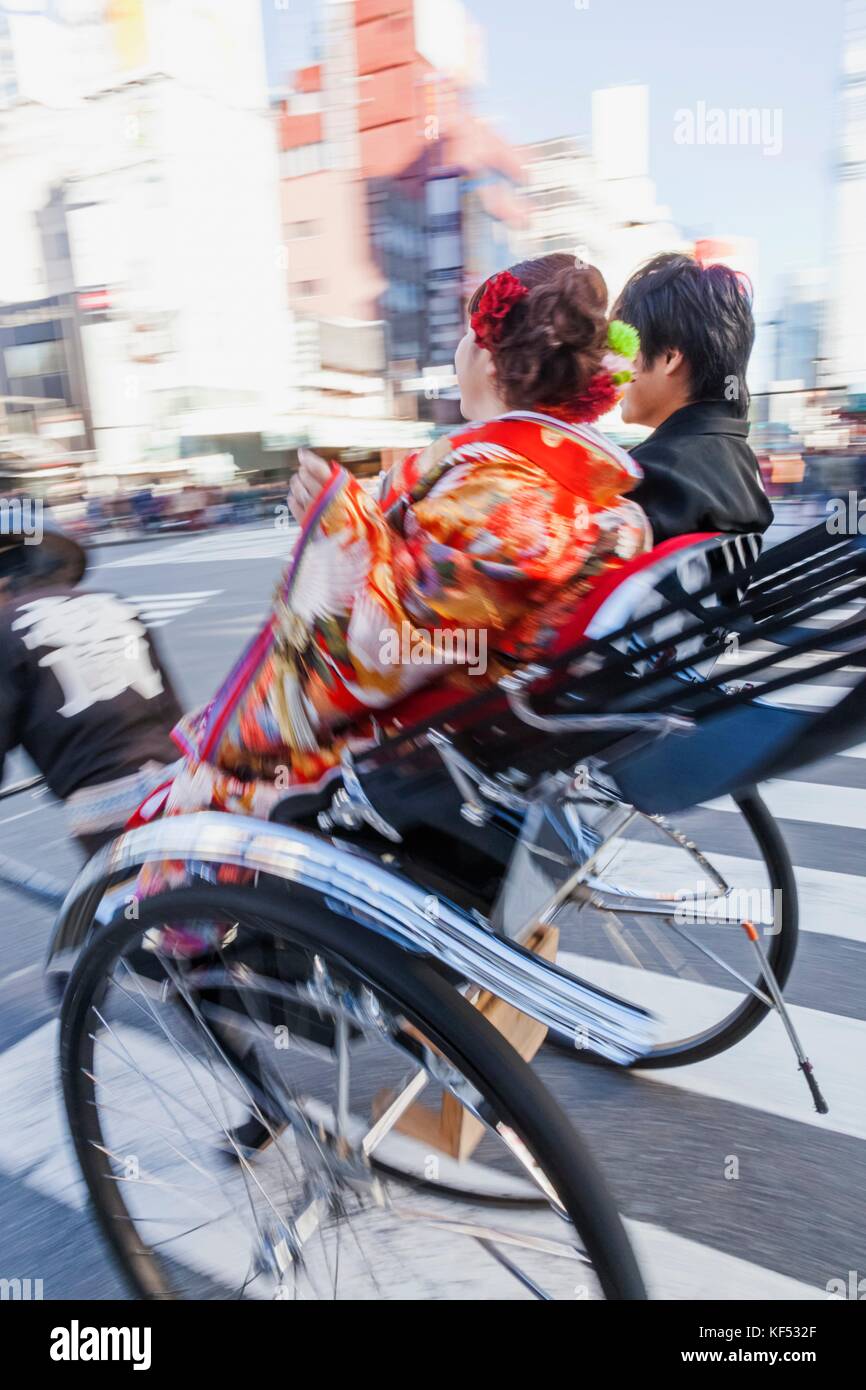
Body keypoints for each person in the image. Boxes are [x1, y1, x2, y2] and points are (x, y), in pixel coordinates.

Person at [134, 253, 651, 888]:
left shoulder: (502, 491)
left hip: (415, 740)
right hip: (487, 710)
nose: (461, 351)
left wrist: (340, 520)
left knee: (200, 783)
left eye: (468, 335)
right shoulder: (572, 489)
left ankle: (188, 946)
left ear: (490, 359)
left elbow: (386, 646)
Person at [0, 505, 182, 857]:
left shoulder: (4, 627)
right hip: (185, 783)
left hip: (112, 814)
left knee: (114, 907)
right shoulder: (115, 604)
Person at [612, 252, 773, 544]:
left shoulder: (647, 475)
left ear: (670, 357)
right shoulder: (740, 463)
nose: (613, 370)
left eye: (624, 352)